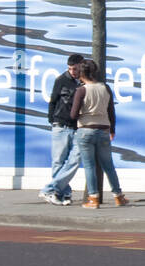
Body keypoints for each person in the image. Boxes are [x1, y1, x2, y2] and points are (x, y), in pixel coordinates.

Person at [70, 59, 129, 209]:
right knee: (108, 165)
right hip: (104, 130)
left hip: (86, 130)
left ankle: (93, 198)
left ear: (82, 73)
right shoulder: (105, 88)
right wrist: (112, 129)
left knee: (90, 166)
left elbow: (73, 114)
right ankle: (119, 196)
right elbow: (111, 111)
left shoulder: (81, 90)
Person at [39, 54, 84, 206]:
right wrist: (52, 120)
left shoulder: (84, 82)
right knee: (59, 161)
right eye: (70, 69)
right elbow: (53, 101)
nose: (72, 72)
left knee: (74, 160)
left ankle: (52, 190)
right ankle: (62, 193)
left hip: (77, 127)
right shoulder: (61, 80)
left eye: (75, 69)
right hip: (61, 125)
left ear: (81, 66)